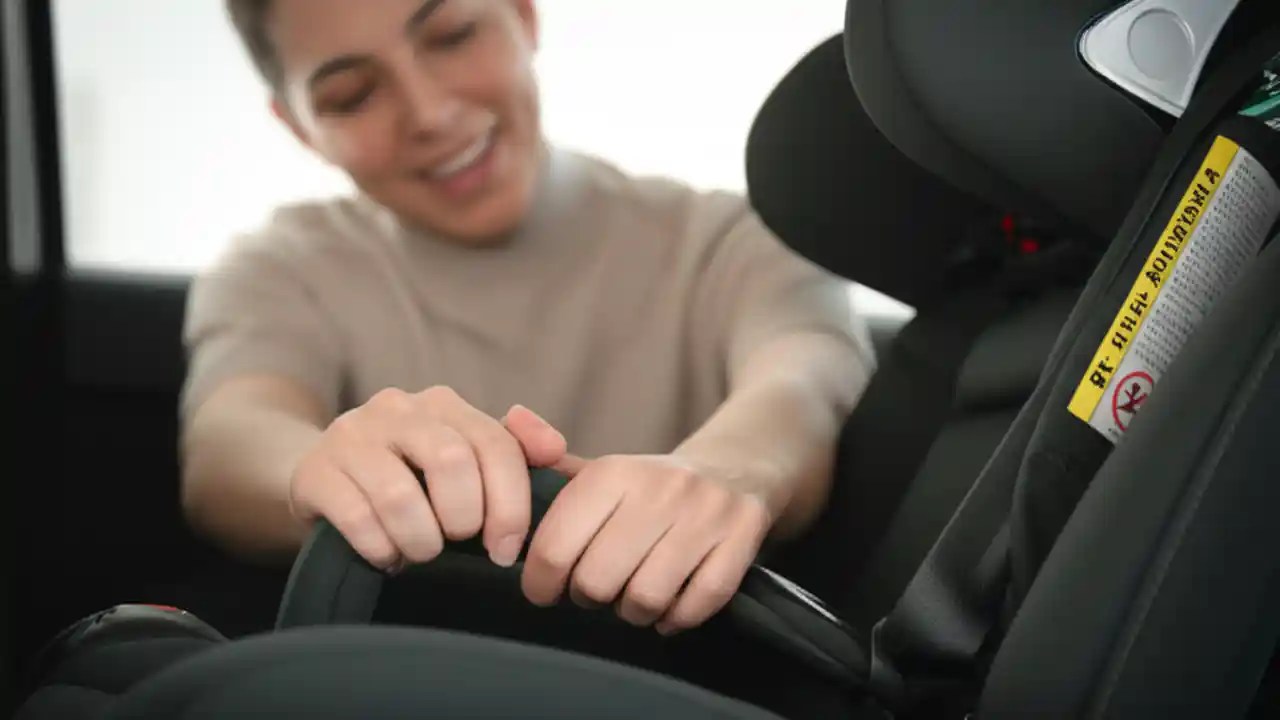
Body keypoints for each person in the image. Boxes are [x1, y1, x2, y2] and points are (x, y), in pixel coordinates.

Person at [180, 0, 875, 640]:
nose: (428, 112)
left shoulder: (731, 241)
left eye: (453, 36)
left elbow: (806, 380)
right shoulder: (278, 268)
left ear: (523, 13)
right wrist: (322, 467)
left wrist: (729, 472)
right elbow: (230, 439)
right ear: (300, 127)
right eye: (350, 95)